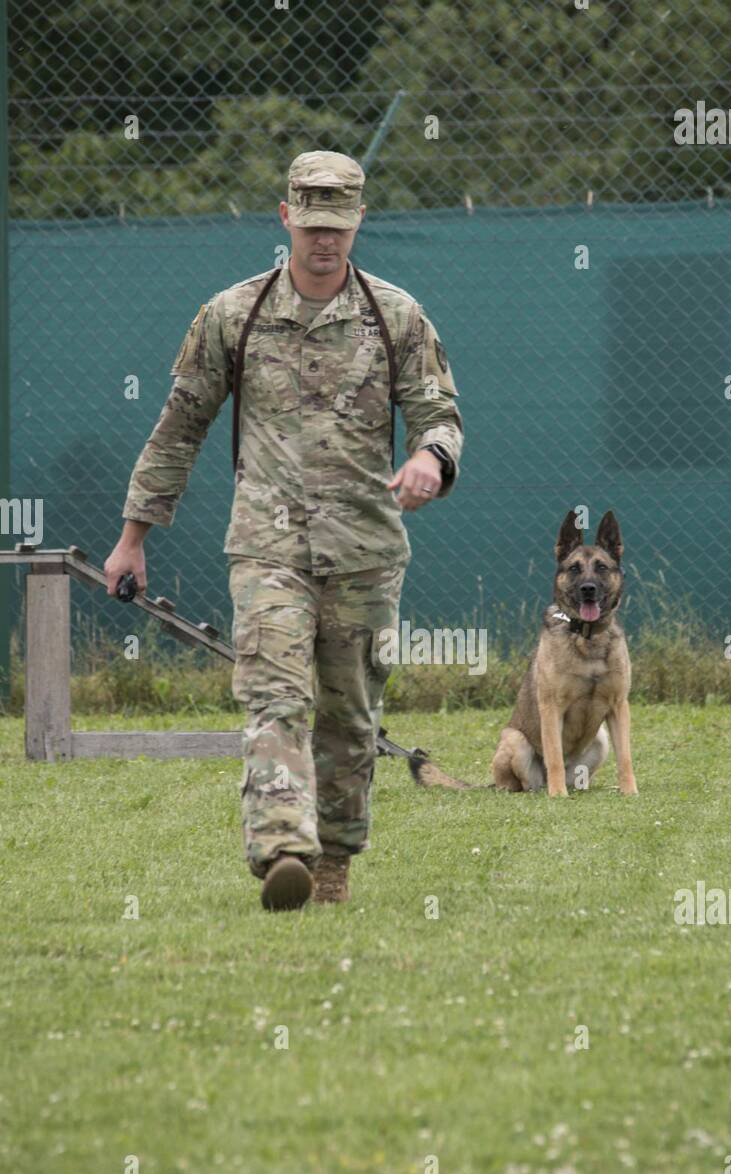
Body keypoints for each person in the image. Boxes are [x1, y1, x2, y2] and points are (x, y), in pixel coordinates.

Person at [105, 150, 464, 912]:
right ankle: (281, 851)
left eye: (338, 226)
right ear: (285, 219)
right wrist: (133, 535)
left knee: (349, 716)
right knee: (275, 696)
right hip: (267, 547)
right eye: (311, 227)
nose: (325, 242)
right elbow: (179, 429)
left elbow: (438, 413)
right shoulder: (232, 317)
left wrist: (431, 458)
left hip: (366, 551)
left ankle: (332, 864)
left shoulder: (397, 317)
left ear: (359, 221)